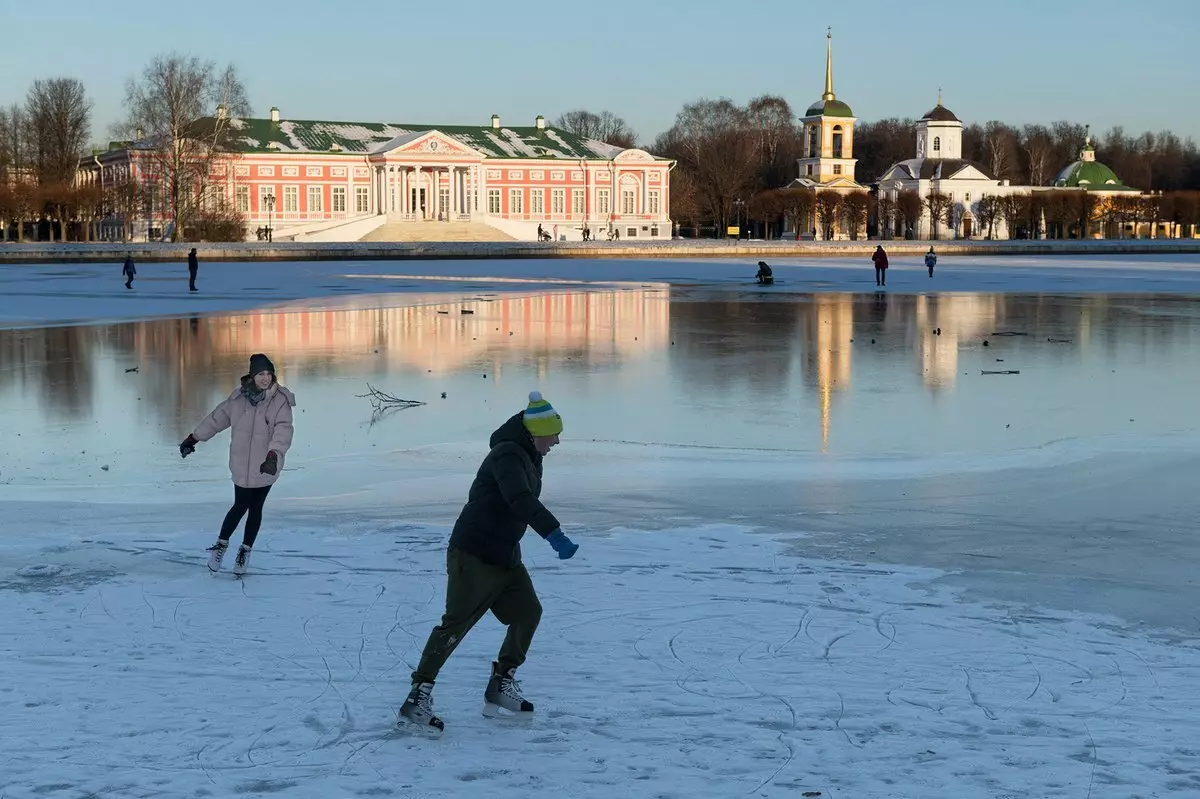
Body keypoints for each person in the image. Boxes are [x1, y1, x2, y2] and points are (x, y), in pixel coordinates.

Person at [399, 391, 579, 733]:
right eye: (552, 435)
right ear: (534, 433)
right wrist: (554, 534)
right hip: (474, 553)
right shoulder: (508, 455)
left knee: (528, 613)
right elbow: (520, 499)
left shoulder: (528, 453)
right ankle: (417, 697)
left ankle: (501, 684)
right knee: (455, 625)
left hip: (505, 554)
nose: (556, 442)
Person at [179, 354, 296, 577]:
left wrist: (274, 455)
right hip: (241, 464)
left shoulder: (280, 401)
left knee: (256, 507)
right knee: (240, 505)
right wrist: (193, 438)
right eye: (260, 374)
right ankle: (221, 546)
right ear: (252, 375)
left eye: (268, 374)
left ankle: (245, 551)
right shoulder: (238, 399)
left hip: (266, 464)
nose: (265, 378)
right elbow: (216, 419)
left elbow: (284, 431)